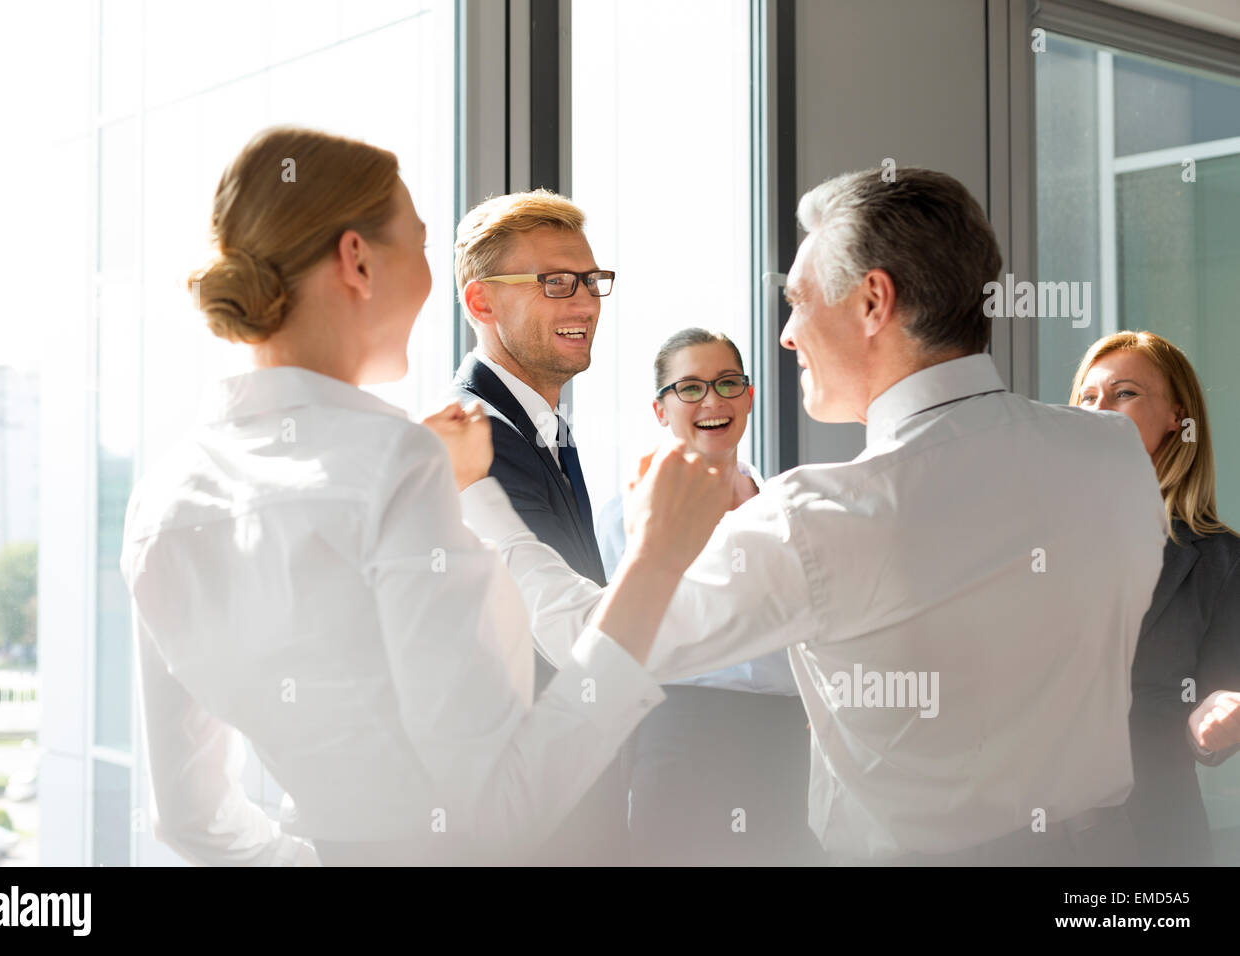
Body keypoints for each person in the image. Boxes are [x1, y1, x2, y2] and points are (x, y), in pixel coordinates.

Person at [457, 166, 1168, 865]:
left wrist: (475, 499)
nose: (789, 335)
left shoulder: (821, 518)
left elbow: (595, 645)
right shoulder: (1112, 451)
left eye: (799, 301)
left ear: (872, 303)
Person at [118, 126, 729, 866]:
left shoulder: (160, 498)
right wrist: (660, 557)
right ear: (357, 260)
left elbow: (192, 822)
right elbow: (504, 808)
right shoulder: (400, 465)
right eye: (419, 242)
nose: (431, 276)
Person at [446, 191, 627, 864]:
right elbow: (565, 636)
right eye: (555, 283)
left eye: (591, 282)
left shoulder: (543, 428)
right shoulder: (474, 434)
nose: (585, 304)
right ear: (481, 302)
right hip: (534, 819)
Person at [594, 327, 818, 865]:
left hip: (781, 741)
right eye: (689, 388)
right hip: (679, 736)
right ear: (660, 408)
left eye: (727, 383)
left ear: (749, 396)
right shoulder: (628, 516)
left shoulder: (792, 511)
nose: (712, 401)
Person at [1071, 330, 1240, 865]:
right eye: (1088, 396)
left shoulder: (1221, 559)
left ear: (1177, 417)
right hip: (1024, 833)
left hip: (1151, 834)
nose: (1101, 409)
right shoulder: (1031, 537)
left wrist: (1206, 732)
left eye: (1125, 393)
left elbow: (1215, 708)